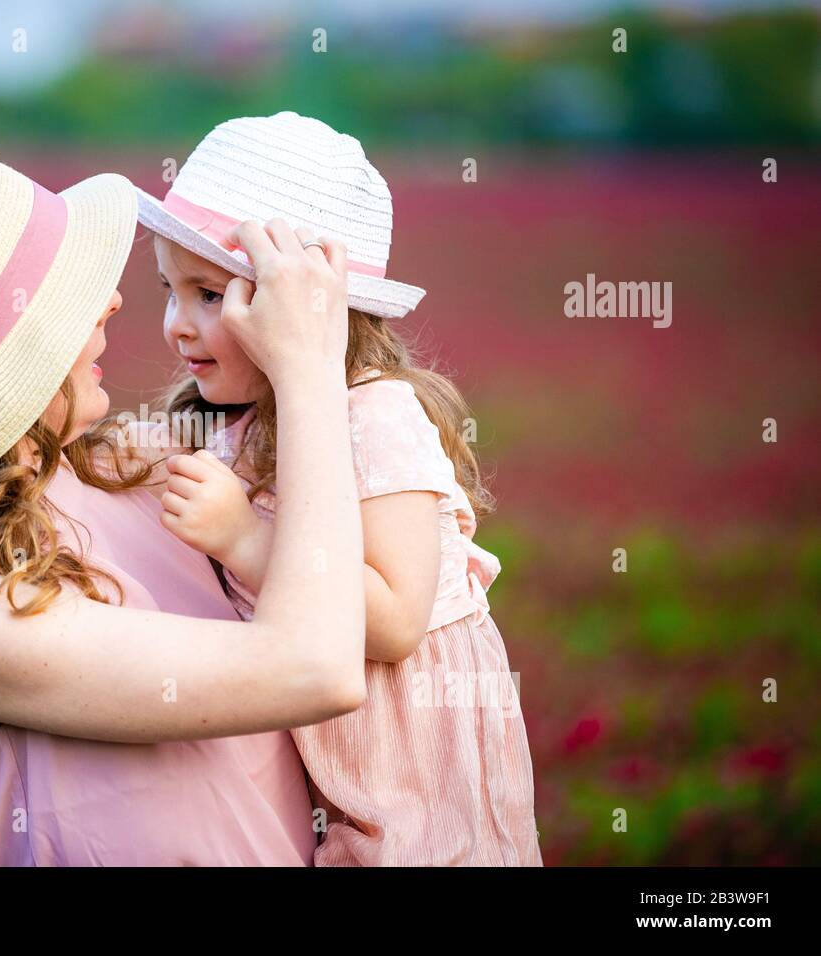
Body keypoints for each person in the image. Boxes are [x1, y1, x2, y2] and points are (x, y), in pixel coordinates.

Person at [0, 135, 366, 865]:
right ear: (10, 356)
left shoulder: (112, 469)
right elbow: (315, 668)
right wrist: (309, 366)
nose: (117, 298)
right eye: (64, 294)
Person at [136, 112, 542, 865]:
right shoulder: (243, 423)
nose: (175, 325)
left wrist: (243, 537)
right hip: (327, 783)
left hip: (415, 788)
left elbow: (394, 622)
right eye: (170, 289)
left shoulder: (376, 416)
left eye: (209, 295)